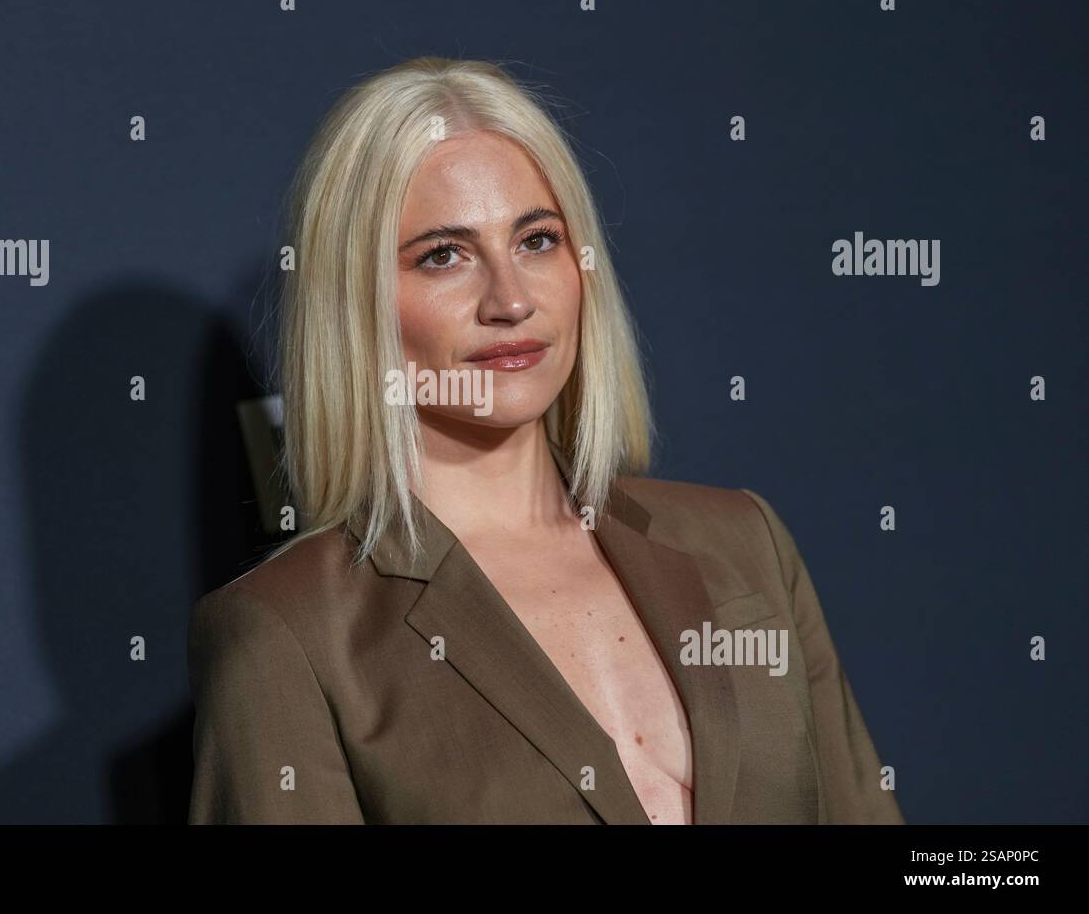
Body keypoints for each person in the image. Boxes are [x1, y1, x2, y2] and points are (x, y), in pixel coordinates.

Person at [187, 56, 904, 824]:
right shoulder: (287, 635)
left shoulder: (744, 543)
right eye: (443, 255)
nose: (511, 299)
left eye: (536, 240)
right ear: (354, 307)